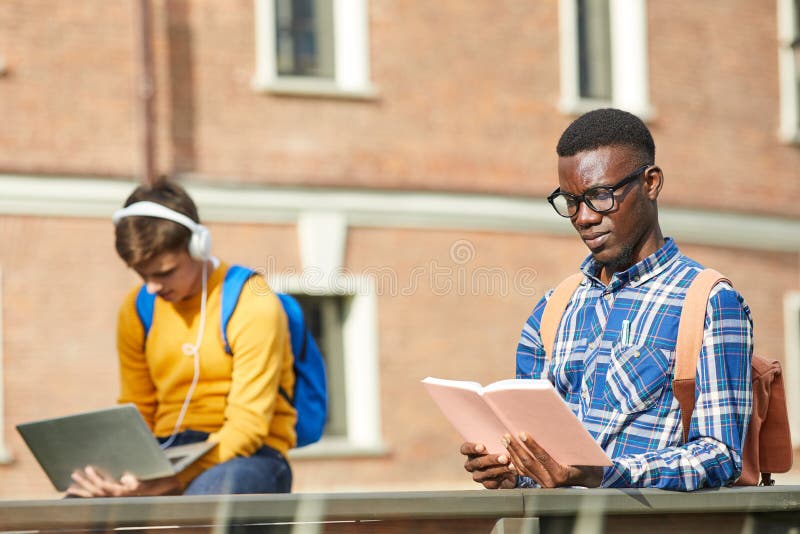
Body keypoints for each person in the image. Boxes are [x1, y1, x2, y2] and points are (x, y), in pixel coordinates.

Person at [461, 108, 753, 491]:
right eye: (570, 200)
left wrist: (606, 473)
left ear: (651, 183)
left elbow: (720, 454)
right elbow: (541, 463)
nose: (583, 217)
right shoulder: (553, 309)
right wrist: (508, 469)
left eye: (600, 195)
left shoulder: (709, 302)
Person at [67, 179, 296, 497]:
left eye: (164, 272)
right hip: (163, 453)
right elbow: (138, 409)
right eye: (142, 274)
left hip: (247, 456)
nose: (152, 287)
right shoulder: (137, 309)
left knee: (201, 506)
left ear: (198, 247)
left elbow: (248, 428)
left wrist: (168, 482)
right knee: (71, 513)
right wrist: (122, 472)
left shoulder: (251, 302)